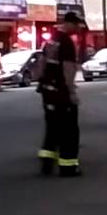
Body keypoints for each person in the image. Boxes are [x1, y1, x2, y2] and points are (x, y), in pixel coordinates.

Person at [36, 12, 84, 177]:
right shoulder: (66, 42)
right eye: (77, 26)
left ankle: (46, 164)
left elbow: (42, 62)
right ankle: (68, 166)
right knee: (70, 130)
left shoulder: (51, 40)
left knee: (52, 127)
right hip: (61, 91)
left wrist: (42, 80)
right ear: (70, 23)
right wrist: (71, 92)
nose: (78, 29)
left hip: (47, 90)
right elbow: (68, 68)